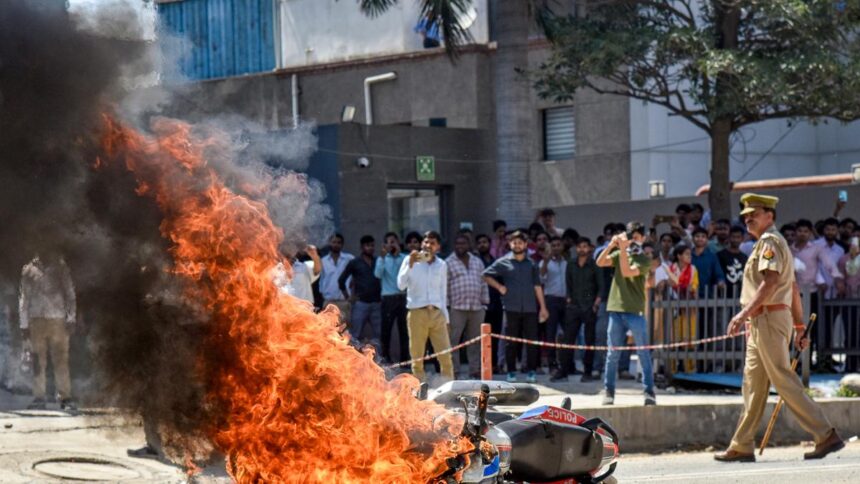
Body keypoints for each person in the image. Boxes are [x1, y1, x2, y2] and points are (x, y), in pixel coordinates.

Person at [715, 193, 845, 463]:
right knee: (753, 384)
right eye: (746, 215)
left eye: (754, 214)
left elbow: (771, 282)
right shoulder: (767, 243)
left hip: (768, 318)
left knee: (782, 379)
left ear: (769, 216)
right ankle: (742, 444)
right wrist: (799, 325)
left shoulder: (770, 242)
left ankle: (825, 434)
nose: (748, 219)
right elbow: (793, 287)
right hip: (764, 320)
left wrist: (743, 313)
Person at [596, 222, 656, 406]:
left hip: (635, 311)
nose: (634, 240)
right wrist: (611, 245)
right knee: (612, 354)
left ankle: (649, 391)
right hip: (616, 310)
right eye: (631, 237)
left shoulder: (644, 260)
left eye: (637, 237)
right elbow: (600, 262)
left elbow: (627, 271)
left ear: (643, 238)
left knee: (643, 353)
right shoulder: (621, 253)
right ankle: (609, 391)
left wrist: (622, 249)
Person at [483, 231, 550, 383]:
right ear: (510, 244)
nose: (517, 245)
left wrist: (543, 308)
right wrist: (499, 287)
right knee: (510, 342)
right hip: (511, 307)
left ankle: (531, 372)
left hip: (530, 308)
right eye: (514, 242)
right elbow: (486, 275)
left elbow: (537, 286)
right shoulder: (503, 262)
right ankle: (511, 372)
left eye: (520, 242)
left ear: (525, 245)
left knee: (532, 341)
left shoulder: (531, 264)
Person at [19, 252, 76, 411]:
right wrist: (24, 325)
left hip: (58, 319)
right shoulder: (28, 269)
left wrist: (71, 318)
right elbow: (24, 298)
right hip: (36, 319)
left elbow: (70, 294)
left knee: (61, 360)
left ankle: (65, 397)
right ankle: (39, 397)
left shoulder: (61, 268)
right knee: (38, 362)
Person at [397, 231, 453, 382]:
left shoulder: (441, 265)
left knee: (445, 354)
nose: (428, 245)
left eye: (432, 243)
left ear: (438, 247)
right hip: (417, 312)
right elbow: (401, 285)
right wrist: (410, 265)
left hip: (437, 313)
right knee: (417, 357)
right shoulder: (409, 260)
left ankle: (448, 385)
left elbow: (443, 293)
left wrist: (446, 319)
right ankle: (419, 388)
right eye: (426, 242)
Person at [552, 237, 603, 382]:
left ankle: (587, 372)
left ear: (590, 248)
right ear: (576, 248)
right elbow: (568, 283)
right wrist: (568, 299)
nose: (582, 249)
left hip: (589, 306)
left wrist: (596, 304)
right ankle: (563, 371)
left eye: (585, 246)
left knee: (589, 341)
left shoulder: (595, 264)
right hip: (573, 306)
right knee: (568, 340)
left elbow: (601, 286)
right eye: (579, 246)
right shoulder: (571, 264)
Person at [446, 234, 489, 378]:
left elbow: (483, 282)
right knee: (453, 341)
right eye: (458, 243)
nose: (460, 246)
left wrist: (485, 302)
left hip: (476, 307)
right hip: (456, 307)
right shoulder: (448, 262)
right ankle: (454, 370)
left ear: (469, 245)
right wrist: (446, 306)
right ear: (454, 246)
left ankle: (474, 369)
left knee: (475, 341)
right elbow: (444, 285)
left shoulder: (477, 261)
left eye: (463, 243)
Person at [339, 236, 382, 354]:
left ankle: (378, 359)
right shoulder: (355, 263)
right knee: (355, 335)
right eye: (368, 245)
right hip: (360, 304)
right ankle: (354, 358)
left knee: (378, 335)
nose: (370, 248)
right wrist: (348, 298)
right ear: (362, 247)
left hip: (376, 304)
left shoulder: (378, 261)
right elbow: (341, 280)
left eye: (372, 245)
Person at [375, 232, 408, 364]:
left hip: (402, 297)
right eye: (389, 242)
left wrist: (398, 255)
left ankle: (405, 359)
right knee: (386, 330)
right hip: (388, 298)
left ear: (398, 243)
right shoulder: (382, 259)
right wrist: (383, 258)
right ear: (384, 245)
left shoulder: (404, 258)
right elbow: (377, 275)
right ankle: (385, 358)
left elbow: (406, 275)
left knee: (404, 330)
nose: (391, 245)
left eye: (393, 242)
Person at [665, 243, 699, 373]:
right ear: (679, 256)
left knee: (689, 339)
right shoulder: (670, 269)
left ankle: (689, 369)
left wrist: (692, 289)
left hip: (689, 309)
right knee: (673, 340)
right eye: (686, 254)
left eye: (690, 254)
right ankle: (672, 369)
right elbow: (668, 285)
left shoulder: (693, 270)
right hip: (673, 308)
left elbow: (695, 286)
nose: (690, 256)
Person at [476, 233, 504, 373]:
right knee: (481, 338)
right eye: (480, 242)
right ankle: (482, 366)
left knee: (495, 336)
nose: (483, 245)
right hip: (481, 304)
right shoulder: (475, 262)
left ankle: (494, 365)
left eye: (485, 242)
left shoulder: (496, 262)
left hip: (496, 304)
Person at [540, 236, 568, 372]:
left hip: (565, 300)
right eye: (553, 245)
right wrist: (546, 262)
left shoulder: (566, 263)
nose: (556, 247)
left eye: (558, 245)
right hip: (551, 300)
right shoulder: (545, 262)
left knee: (567, 333)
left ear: (562, 247)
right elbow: (541, 278)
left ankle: (567, 364)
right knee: (550, 333)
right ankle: (552, 365)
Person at [320, 233, 354, 323]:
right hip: (328, 301)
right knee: (327, 328)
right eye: (334, 242)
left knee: (344, 329)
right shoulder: (323, 261)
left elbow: (356, 277)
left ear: (342, 245)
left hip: (344, 301)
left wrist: (352, 295)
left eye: (339, 242)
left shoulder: (349, 259)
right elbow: (321, 280)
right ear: (329, 243)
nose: (336, 245)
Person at [691, 227, 726, 297]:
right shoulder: (687, 255)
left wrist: (721, 282)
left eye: (703, 236)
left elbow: (718, 274)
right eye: (697, 236)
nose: (700, 239)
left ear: (707, 240)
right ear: (692, 239)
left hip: (708, 295)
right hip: (689, 295)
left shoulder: (712, 257)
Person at [717, 226, 749, 298]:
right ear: (729, 238)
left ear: (742, 239)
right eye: (733, 237)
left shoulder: (744, 257)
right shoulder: (720, 255)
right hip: (723, 295)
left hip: (740, 294)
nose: (735, 240)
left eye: (738, 237)